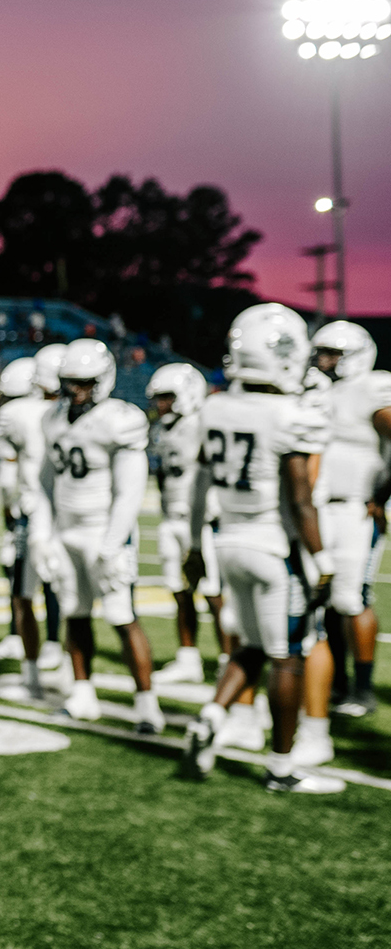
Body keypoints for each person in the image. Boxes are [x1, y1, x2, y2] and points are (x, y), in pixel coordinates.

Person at [182, 305, 345, 794]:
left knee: (250, 647)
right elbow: (300, 500)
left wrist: (195, 544)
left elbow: (197, 486)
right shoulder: (289, 413)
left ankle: (212, 714)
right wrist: (323, 559)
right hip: (274, 548)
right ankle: (281, 767)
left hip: (227, 542)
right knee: (288, 656)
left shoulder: (212, 407)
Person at [34, 339, 161, 732]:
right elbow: (45, 483)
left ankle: (146, 705)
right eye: (69, 382)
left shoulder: (119, 419)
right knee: (75, 613)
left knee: (123, 617)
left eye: (84, 382)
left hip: (104, 531)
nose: (75, 391)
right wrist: (43, 535)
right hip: (67, 530)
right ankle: (82, 694)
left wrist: (112, 544)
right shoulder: (51, 419)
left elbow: (129, 492)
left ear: (103, 379)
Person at [308, 321, 390, 720]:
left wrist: (380, 496)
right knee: (324, 600)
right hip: (324, 508)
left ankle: (362, 688)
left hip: (357, 507)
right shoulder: (325, 391)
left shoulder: (373, 386)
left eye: (332, 353)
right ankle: (339, 682)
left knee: (350, 597)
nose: (324, 360)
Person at [0, 354, 62, 696]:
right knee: (67, 590)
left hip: (32, 511)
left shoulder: (18, 414)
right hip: (72, 511)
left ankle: (30, 663)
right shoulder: (76, 416)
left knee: (23, 589)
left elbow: (6, 479)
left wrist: (9, 521)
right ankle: (62, 656)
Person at [145, 363, 225, 684]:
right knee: (179, 591)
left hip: (202, 521)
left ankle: (227, 658)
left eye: (167, 397)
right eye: (159, 398)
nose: (161, 405)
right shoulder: (162, 429)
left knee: (213, 593)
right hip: (171, 519)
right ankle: (188, 658)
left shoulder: (202, 424)